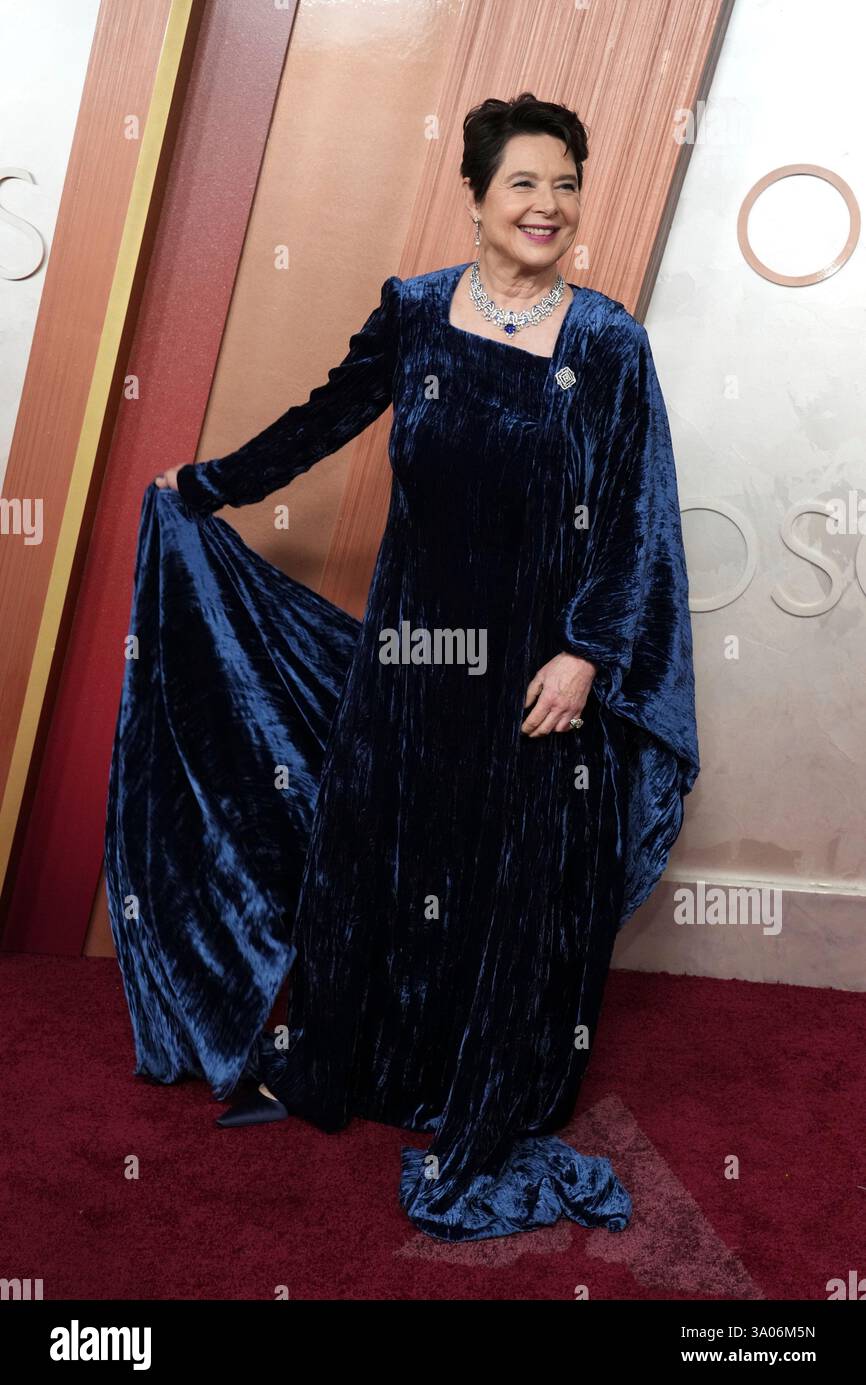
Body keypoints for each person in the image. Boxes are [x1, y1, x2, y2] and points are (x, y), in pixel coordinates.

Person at [106, 92, 699, 1242]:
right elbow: (328, 415)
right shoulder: (417, 313)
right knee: (374, 852)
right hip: (413, 655)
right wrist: (210, 485)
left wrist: (584, 651)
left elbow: (636, 518)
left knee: (500, 877)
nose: (546, 205)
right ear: (473, 195)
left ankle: (473, 1087)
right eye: (522, 182)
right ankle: (340, 1060)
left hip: (534, 672)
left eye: (565, 183)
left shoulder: (609, 343)